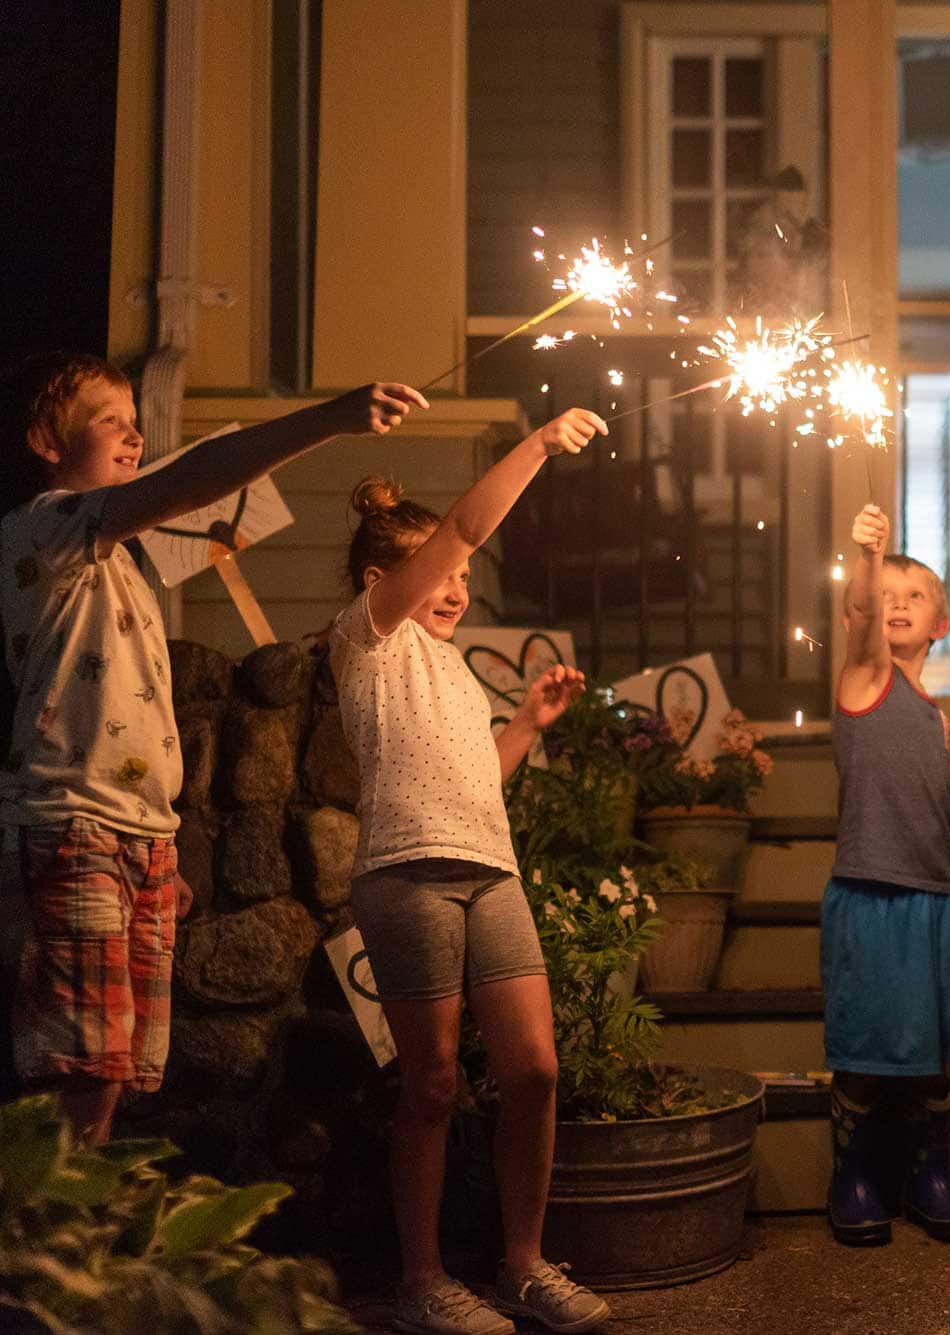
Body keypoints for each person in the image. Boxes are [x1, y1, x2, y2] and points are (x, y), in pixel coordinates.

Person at [0, 350, 425, 1147]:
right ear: (47, 443)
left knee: (115, 1072)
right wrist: (330, 417)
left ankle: (75, 1243)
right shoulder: (43, 528)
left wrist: (163, 841)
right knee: (79, 1071)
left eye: (134, 420)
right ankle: (42, 1254)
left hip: (135, 837)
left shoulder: (119, 569)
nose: (132, 434)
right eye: (106, 420)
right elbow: (200, 476)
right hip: (70, 823)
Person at [332, 405, 610, 1335]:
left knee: (534, 1067)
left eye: (459, 578)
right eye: (438, 574)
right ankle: (423, 1279)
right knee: (436, 1082)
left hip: (489, 870)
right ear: (385, 580)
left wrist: (525, 725)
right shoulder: (367, 640)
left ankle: (524, 1266)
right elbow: (463, 525)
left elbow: (472, 784)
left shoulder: (452, 670)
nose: (455, 585)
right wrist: (535, 446)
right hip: (406, 876)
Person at [823, 501, 950, 1247]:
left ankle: (932, 1175)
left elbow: (942, 797)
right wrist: (869, 554)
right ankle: (855, 1178)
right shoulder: (865, 676)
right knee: (867, 1052)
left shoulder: (932, 711)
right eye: (882, 595)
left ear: (941, 623)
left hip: (932, 895)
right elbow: (867, 611)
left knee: (930, 1058)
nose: (895, 602)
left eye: (915, 594)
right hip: (870, 892)